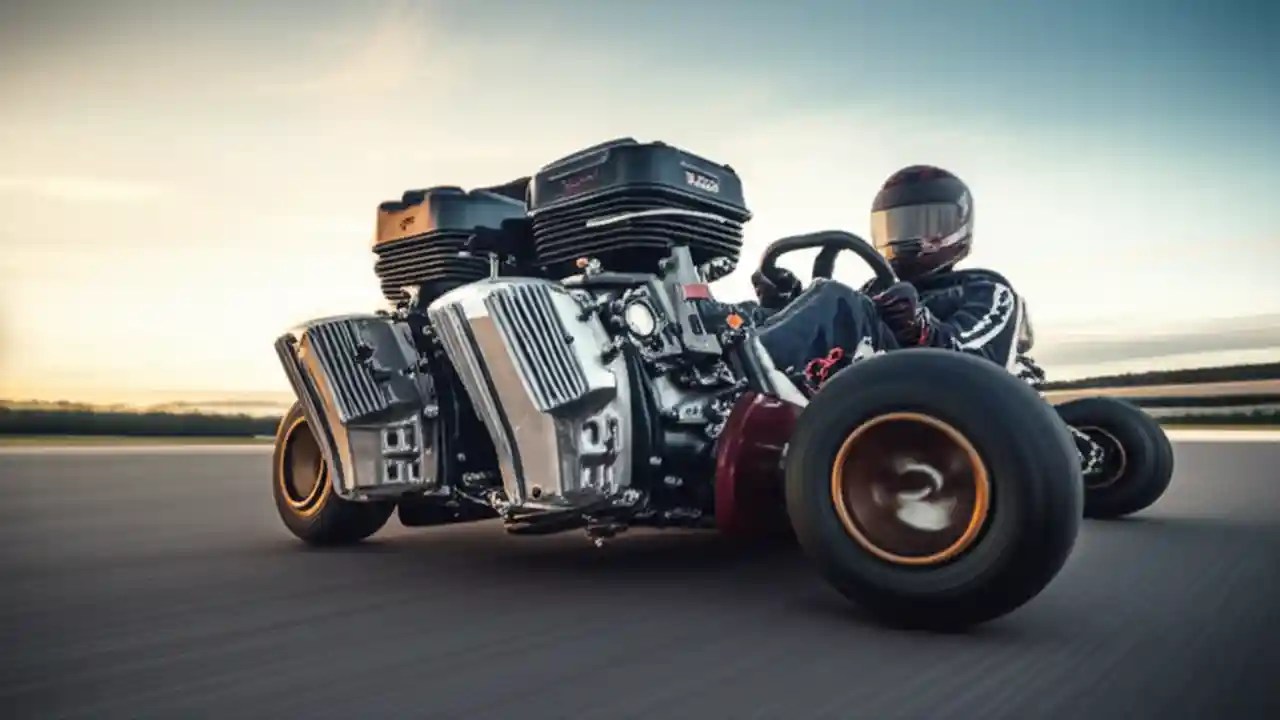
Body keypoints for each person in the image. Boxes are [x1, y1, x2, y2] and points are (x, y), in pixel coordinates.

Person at [705, 164, 1038, 389]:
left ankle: (731, 375)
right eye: (898, 224)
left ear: (958, 226)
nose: (908, 235)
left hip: (930, 395)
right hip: (861, 387)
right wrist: (785, 302)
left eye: (926, 223)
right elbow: (834, 334)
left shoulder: (986, 291)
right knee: (758, 313)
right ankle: (701, 340)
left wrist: (919, 327)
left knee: (837, 300)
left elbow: (977, 366)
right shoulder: (875, 290)